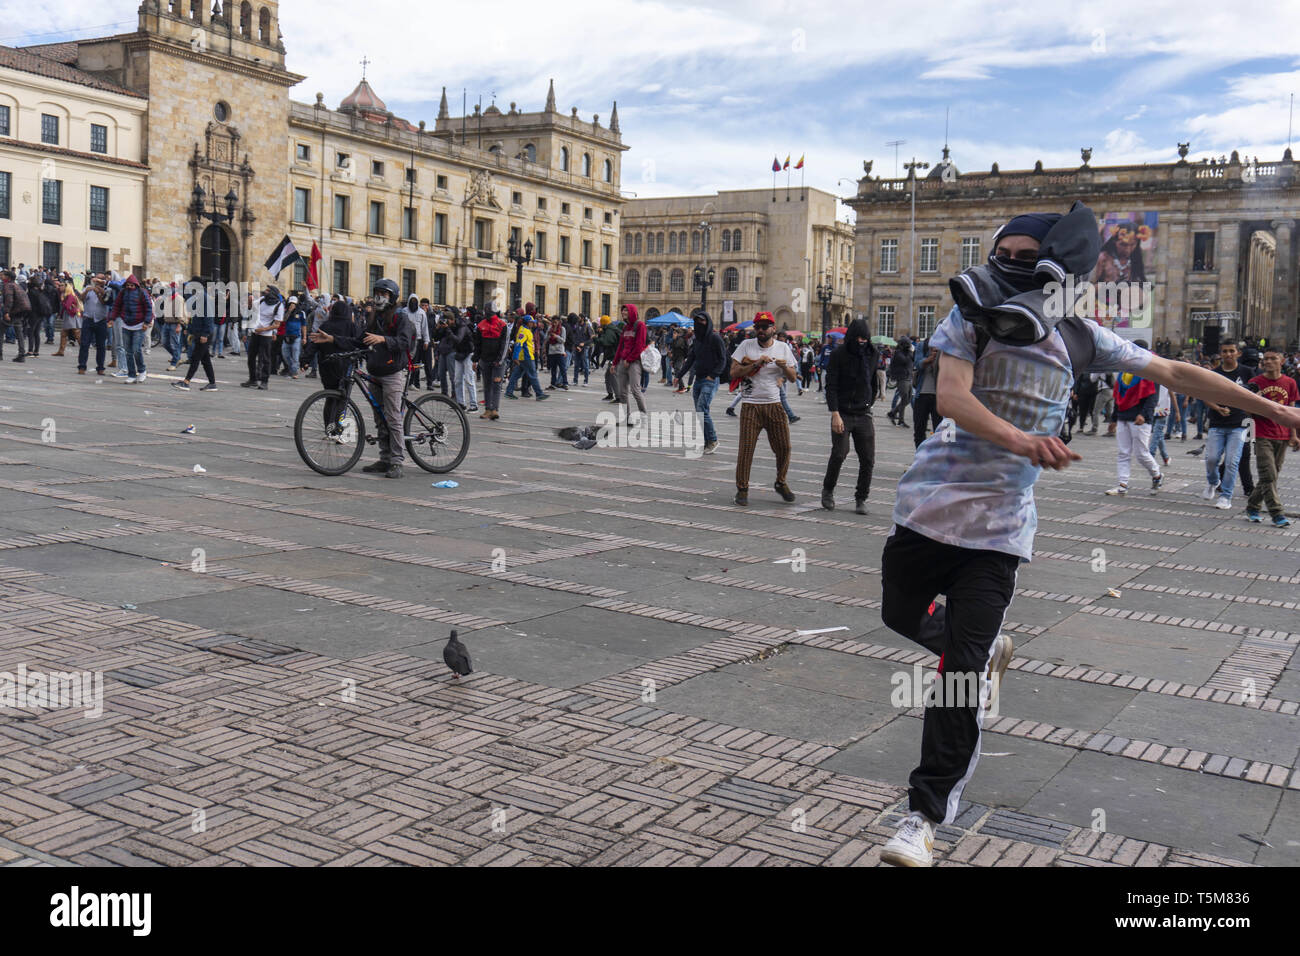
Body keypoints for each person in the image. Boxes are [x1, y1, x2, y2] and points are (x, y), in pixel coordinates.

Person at [876, 204, 1300, 867]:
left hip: (998, 532)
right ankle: (984, 651)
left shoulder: (1081, 336)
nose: (1009, 262)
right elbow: (954, 397)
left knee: (955, 677)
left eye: (1025, 253)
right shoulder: (969, 315)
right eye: (1002, 251)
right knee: (899, 614)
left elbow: (1175, 373)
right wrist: (1023, 439)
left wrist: (1271, 405)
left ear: (1057, 266)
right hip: (926, 511)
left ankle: (922, 818)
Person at [310, 277, 413, 478]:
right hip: (375, 371)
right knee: (379, 417)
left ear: (392, 297)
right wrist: (332, 339)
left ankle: (397, 461)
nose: (379, 297)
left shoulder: (401, 318)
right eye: (377, 293)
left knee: (392, 416)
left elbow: (404, 341)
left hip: (392, 373)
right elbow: (358, 341)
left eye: (384, 294)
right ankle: (384, 459)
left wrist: (383, 339)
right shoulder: (374, 318)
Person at [731, 312, 798, 506]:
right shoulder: (746, 346)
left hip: (774, 405)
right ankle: (742, 489)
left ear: (773, 329)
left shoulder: (783, 348)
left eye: (765, 326)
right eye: (758, 327)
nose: (760, 330)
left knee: (784, 447)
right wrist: (756, 363)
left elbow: (793, 377)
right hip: (751, 405)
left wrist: (784, 368)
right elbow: (733, 371)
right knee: (746, 449)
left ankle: (781, 481)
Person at [821, 317, 879, 513]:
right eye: (859, 339)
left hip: (863, 413)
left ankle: (861, 497)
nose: (862, 342)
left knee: (868, 458)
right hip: (843, 412)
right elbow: (831, 386)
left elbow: (873, 381)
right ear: (852, 337)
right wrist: (835, 413)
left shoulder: (873, 354)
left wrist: (869, 402)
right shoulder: (839, 355)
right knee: (839, 453)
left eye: (865, 339)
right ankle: (828, 490)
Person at [1245, 348, 1299, 527]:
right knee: (1268, 474)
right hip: (1261, 433)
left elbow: (1291, 410)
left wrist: (1294, 434)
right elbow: (1247, 410)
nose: (1268, 362)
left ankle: (1253, 506)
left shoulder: (1290, 383)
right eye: (1265, 359)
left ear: (1281, 361)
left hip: (1282, 434)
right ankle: (1277, 513)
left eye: (1273, 358)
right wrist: (1257, 400)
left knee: (1272, 474)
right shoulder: (1255, 382)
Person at [1104, 340, 1164, 495]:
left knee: (1141, 453)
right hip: (1124, 415)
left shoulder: (1150, 371)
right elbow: (1118, 395)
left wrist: (1143, 414)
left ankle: (1156, 474)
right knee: (1123, 452)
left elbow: (1152, 397)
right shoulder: (1125, 371)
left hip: (1140, 418)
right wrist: (1114, 419)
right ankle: (1122, 485)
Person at [1201, 341, 1253, 510]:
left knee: (1232, 461)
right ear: (1220, 354)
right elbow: (1204, 395)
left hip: (1239, 424)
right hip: (1217, 423)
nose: (1228, 354)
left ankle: (1226, 496)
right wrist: (1217, 408)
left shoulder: (1246, 372)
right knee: (1211, 459)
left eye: (1232, 351)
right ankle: (1213, 482)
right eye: (1225, 351)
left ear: (1238, 353)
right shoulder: (1214, 373)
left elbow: (1255, 393)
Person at [685, 309, 727, 455]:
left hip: (710, 379)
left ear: (708, 322)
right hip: (698, 379)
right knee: (700, 412)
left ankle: (713, 440)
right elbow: (691, 358)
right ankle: (706, 441)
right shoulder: (697, 340)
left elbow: (723, 359)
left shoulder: (715, 338)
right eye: (697, 321)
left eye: (702, 321)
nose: (699, 323)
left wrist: (713, 375)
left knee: (702, 408)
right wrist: (679, 375)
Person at [172, 276, 217, 391]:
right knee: (205, 360)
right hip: (199, 333)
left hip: (204, 334)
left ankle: (186, 382)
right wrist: (189, 329)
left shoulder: (205, 298)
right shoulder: (197, 298)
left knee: (196, 358)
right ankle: (212, 384)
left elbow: (208, 317)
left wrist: (205, 334)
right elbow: (194, 316)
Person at [107, 273, 153, 383]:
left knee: (136, 350)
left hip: (139, 325)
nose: (129, 287)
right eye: (128, 285)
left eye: (132, 285)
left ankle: (142, 371)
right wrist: (112, 319)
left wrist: (147, 321)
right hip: (126, 324)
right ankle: (131, 374)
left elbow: (148, 307)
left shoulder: (142, 293)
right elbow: (116, 306)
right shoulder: (123, 293)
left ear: (136, 285)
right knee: (128, 352)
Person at [611, 304, 647, 420]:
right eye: (622, 310)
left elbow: (639, 346)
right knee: (622, 392)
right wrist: (614, 363)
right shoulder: (625, 328)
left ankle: (643, 415)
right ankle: (625, 417)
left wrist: (629, 359)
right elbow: (620, 347)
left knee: (635, 390)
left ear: (632, 311)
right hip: (623, 361)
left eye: (626, 310)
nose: (623, 312)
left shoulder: (640, 325)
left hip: (634, 362)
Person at [242, 286, 283, 390]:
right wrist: (250, 301)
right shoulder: (262, 300)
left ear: (273, 293)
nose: (265, 291)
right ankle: (253, 379)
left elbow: (277, 324)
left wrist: (263, 329)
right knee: (251, 357)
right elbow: (251, 307)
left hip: (266, 335)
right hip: (255, 333)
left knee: (265, 359)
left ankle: (264, 381)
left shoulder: (279, 306)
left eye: (268, 290)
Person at [474, 308, 509, 420]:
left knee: (494, 384)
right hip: (486, 359)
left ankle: (494, 409)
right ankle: (489, 409)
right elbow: (478, 344)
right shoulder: (481, 325)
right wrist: (475, 359)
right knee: (489, 385)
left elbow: (505, 344)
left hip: (496, 360)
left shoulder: (502, 325)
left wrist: (500, 360)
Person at [76, 274, 111, 375]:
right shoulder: (88, 288)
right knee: (84, 344)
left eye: (100, 279)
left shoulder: (107, 290)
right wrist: (87, 291)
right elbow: (81, 299)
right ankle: (82, 366)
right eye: (96, 279)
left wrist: (99, 293)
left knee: (101, 346)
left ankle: (100, 368)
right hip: (88, 319)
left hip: (101, 320)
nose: (97, 281)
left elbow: (105, 302)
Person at [912, 340, 943, 448]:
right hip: (922, 394)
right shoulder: (923, 345)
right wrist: (930, 359)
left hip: (942, 397)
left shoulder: (950, 346)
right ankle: (920, 457)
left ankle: (941, 459)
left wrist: (939, 358)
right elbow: (917, 364)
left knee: (944, 433)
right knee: (919, 430)